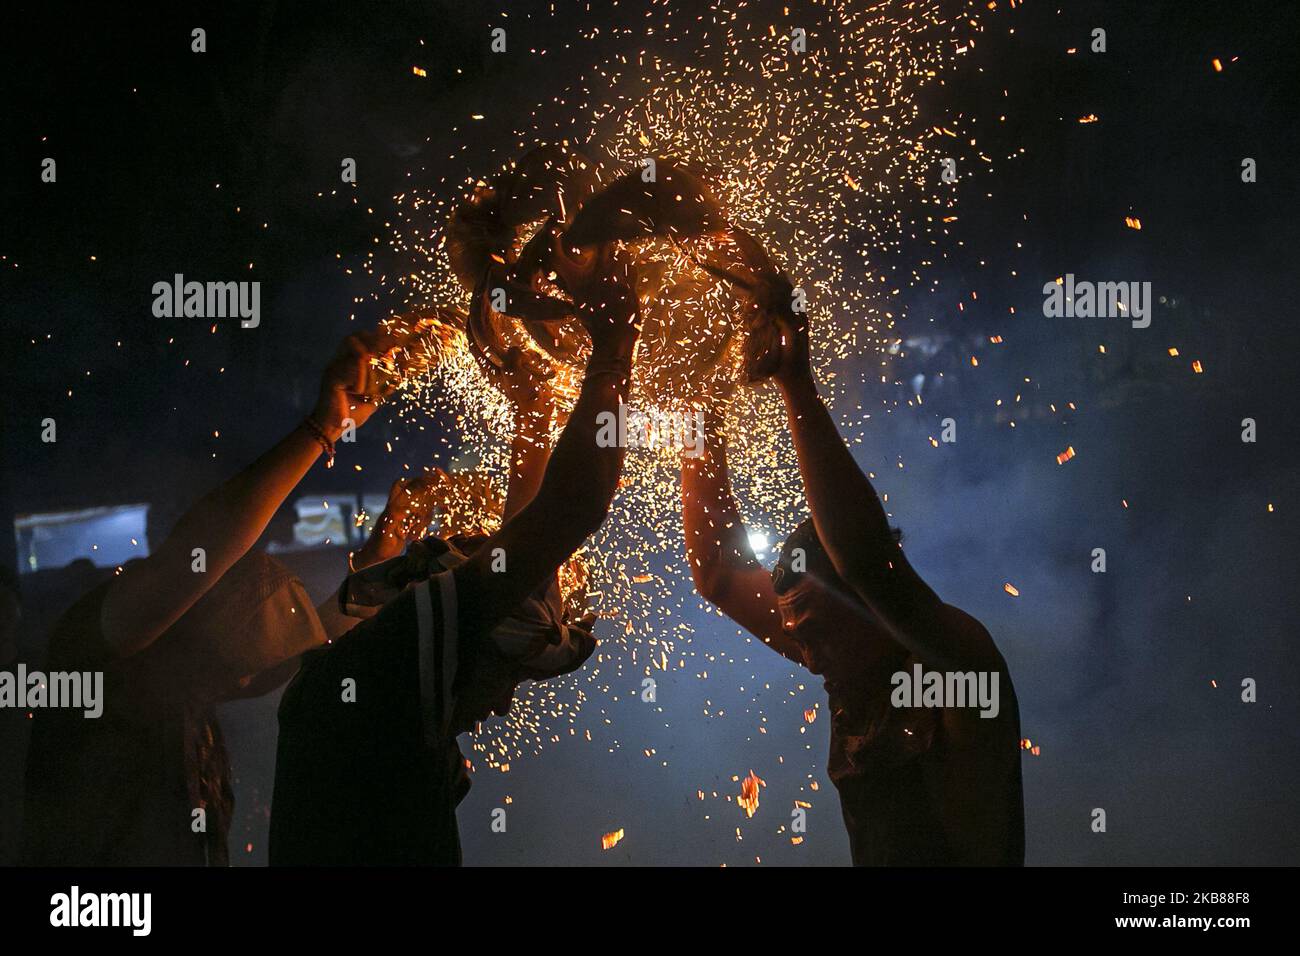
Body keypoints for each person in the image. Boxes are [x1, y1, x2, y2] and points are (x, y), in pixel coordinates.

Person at [268, 238, 639, 865]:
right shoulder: (388, 670)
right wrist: (612, 348)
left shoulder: (369, 678)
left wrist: (534, 417)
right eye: (510, 672)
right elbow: (567, 512)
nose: (504, 704)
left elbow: (516, 559)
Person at [681, 274, 1024, 866]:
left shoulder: (959, 670)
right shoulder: (850, 668)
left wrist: (796, 384)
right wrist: (696, 409)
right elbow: (716, 573)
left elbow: (863, 561)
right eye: (799, 634)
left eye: (815, 633)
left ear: (872, 610)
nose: (805, 656)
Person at [22, 329, 397, 866]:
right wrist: (320, 429)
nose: (250, 666)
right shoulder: (90, 649)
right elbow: (204, 546)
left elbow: (299, 643)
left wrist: (383, 565)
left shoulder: (180, 686)